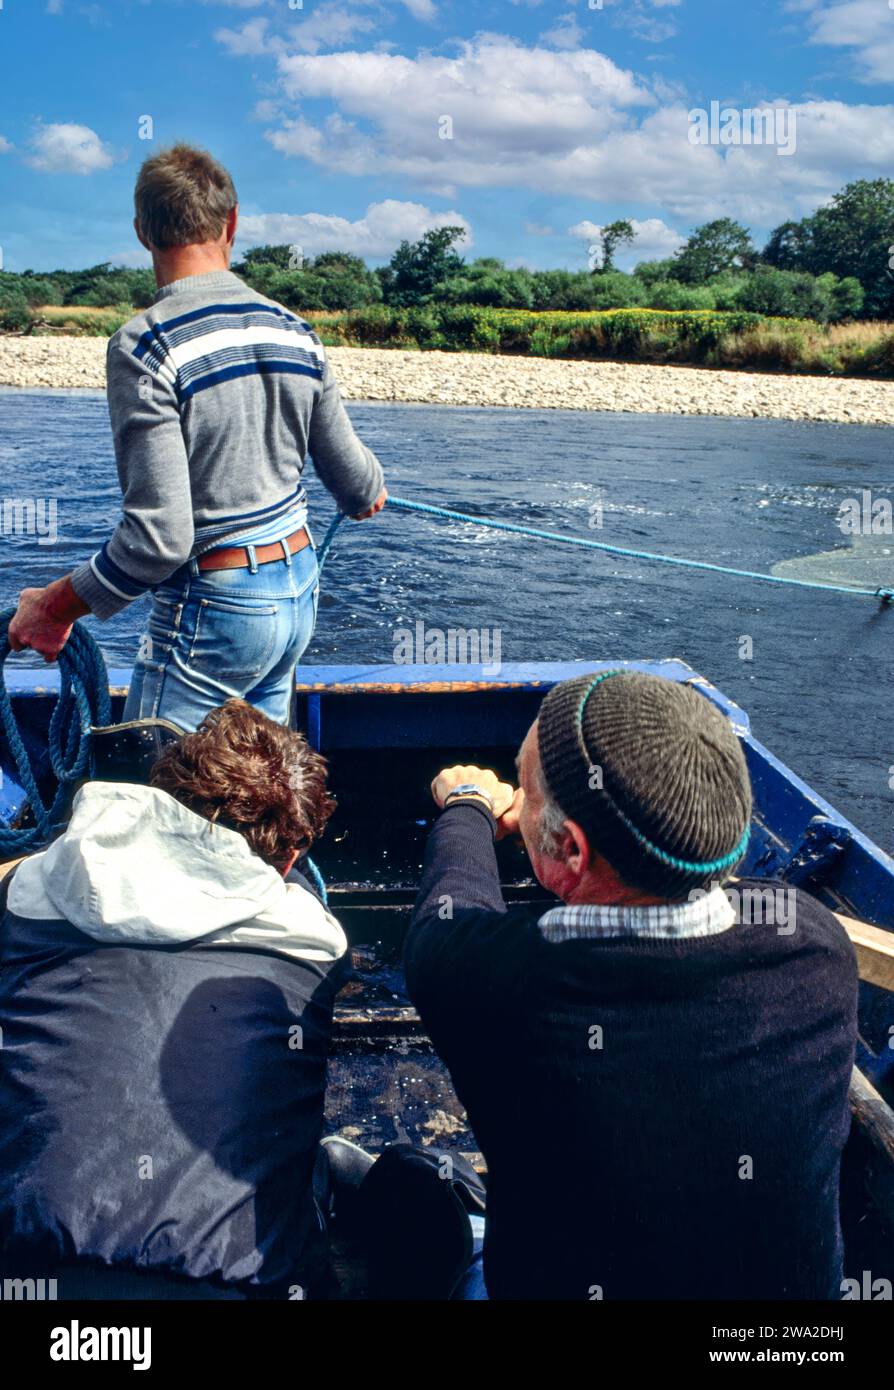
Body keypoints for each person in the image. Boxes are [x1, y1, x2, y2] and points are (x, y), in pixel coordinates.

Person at [398, 670, 858, 1300]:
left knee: (404, 1202)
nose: (521, 800)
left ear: (572, 849)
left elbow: (445, 915)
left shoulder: (490, 978)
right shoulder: (816, 941)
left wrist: (470, 806)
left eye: (526, 790)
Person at [7, 143, 386, 730]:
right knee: (253, 791)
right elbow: (359, 488)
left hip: (216, 611)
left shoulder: (145, 344)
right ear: (232, 222)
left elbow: (158, 540)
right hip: (295, 597)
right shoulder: (295, 331)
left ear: (142, 232)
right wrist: (368, 488)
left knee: (156, 799)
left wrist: (53, 607)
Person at [0, 699, 348, 1298]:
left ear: (158, 795)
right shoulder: (315, 945)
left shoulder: (25, 891)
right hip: (231, 1284)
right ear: (290, 859)